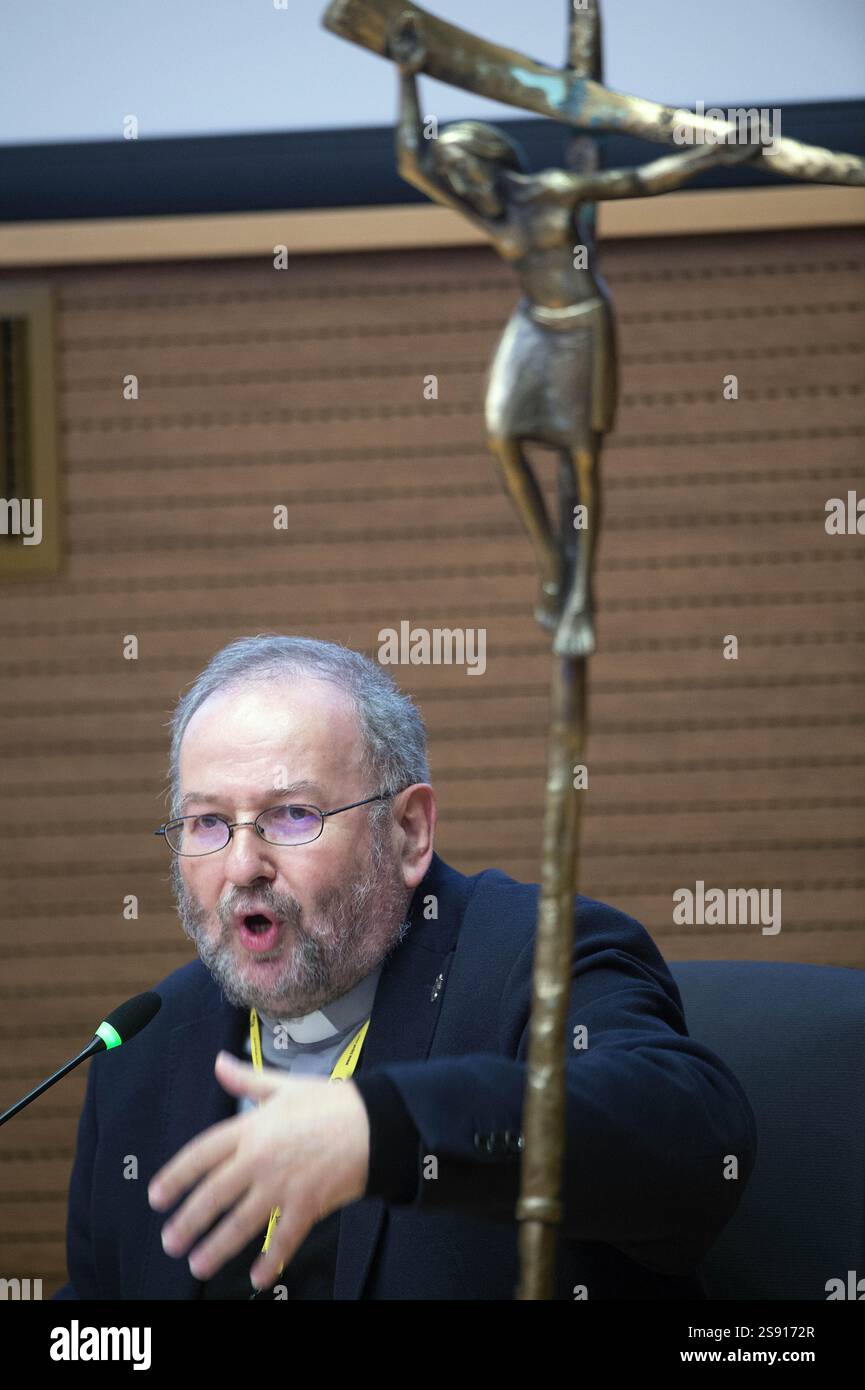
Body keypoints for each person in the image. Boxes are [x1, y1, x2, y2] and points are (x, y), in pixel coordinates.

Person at [54, 634, 756, 1300]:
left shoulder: (536, 959)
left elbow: (690, 1142)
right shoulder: (147, 1041)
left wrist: (380, 1130)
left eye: (293, 815)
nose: (241, 865)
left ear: (409, 832)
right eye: (207, 823)